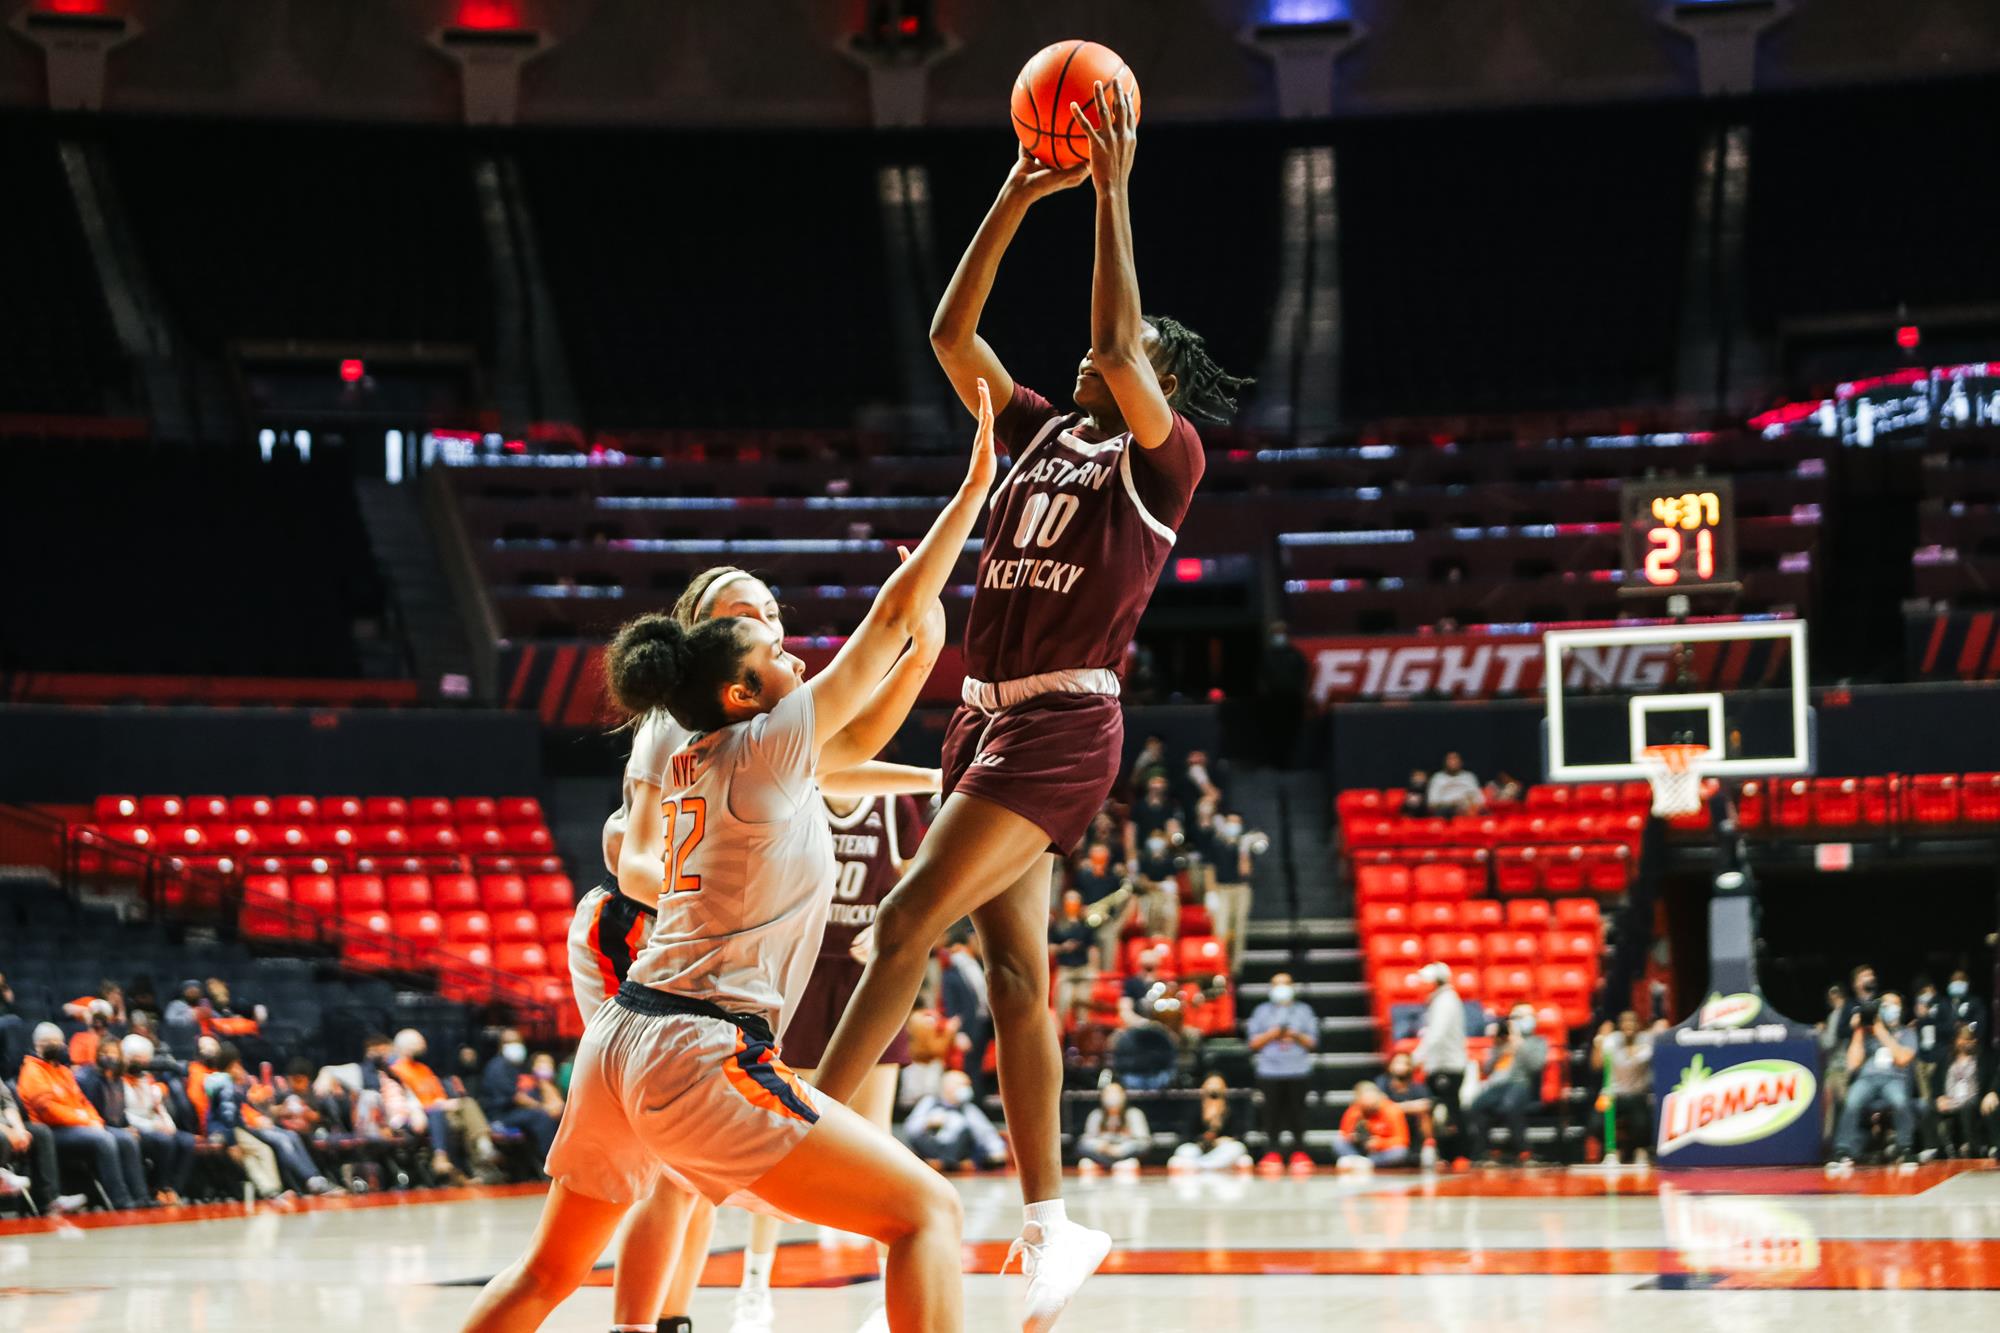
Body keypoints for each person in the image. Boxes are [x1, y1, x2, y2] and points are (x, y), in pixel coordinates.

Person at [807, 80, 1253, 1332]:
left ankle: (808, 1138)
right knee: (1013, 979)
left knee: (900, 924)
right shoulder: (1040, 431)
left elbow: (1117, 344)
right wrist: (1016, 192)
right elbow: (955, 336)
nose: (1099, 352)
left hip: (1060, 720)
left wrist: (1112, 189)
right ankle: (1053, 1229)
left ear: (1157, 384)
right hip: (980, 718)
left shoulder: (1161, 464)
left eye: (1132, 353)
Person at [458, 378, 993, 1333]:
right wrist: (974, 486)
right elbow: (886, 615)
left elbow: (860, 726)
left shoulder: (717, 743)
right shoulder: (764, 740)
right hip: (695, 1038)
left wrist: (921, 675)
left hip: (624, 1032)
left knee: (546, 1275)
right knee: (927, 1213)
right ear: (745, 693)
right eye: (771, 648)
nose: (792, 655)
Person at [728, 785, 931, 1333]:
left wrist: (891, 927)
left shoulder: (893, 806)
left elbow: (923, 884)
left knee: (878, 1144)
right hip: (803, 977)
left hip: (868, 981)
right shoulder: (801, 797)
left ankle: (885, 1299)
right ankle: (753, 1286)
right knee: (781, 1137)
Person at [17, 1023, 148, 1210]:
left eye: (58, 1042)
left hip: (79, 1126)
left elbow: (83, 1102)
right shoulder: (32, 1071)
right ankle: (121, 1201)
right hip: (54, 1131)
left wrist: (95, 1120)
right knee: (104, 1139)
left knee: (126, 1139)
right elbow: (48, 1111)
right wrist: (84, 1121)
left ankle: (141, 1197)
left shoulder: (63, 1071)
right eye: (49, 1042)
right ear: (37, 1045)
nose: (55, 1045)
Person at [1834, 989, 1918, 1163]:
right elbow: (1853, 1064)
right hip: (1868, 1078)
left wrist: (1880, 1030)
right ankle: (1842, 1149)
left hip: (1894, 1078)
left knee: (1900, 1101)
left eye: (1895, 1005)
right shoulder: (1866, 1033)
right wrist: (1858, 1030)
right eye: (1886, 1005)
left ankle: (1905, 1147)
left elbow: (1902, 1059)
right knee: (1851, 1102)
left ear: (1901, 1008)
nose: (1890, 1008)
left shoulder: (1907, 1033)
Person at [1246, 973, 1318, 1170]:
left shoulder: (1304, 1011)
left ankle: (1299, 1151)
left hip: (1298, 1070)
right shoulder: (1261, 1012)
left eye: (1285, 984)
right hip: (1270, 1070)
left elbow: (1313, 1042)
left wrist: (1295, 1035)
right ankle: (1272, 1152)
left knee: (1297, 1113)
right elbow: (1253, 1043)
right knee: (1271, 1114)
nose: (1281, 988)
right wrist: (1273, 1034)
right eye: (1277, 984)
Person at [1466, 1004, 1548, 1165]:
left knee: (1510, 1106)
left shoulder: (1538, 1042)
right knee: (1476, 1105)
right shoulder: (1501, 1041)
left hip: (1520, 1085)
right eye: (1517, 1017)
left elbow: (1535, 1066)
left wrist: (1520, 1045)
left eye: (1525, 1017)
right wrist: (1499, 1045)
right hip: (1498, 1086)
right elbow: (1488, 1069)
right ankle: (1485, 1152)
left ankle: (1524, 1151)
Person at [1411, 963, 1468, 1164]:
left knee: (1451, 1111)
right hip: (1440, 1065)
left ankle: (1460, 1154)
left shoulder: (1446, 1001)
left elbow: (1436, 1034)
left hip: (1447, 1065)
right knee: (1444, 1110)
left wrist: (1416, 1058)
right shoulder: (1439, 1001)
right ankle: (1449, 1154)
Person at [479, 1029, 559, 1171]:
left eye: (517, 1042)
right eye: (510, 1042)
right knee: (541, 1117)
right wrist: (541, 1106)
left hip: (515, 1112)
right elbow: (516, 1097)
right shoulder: (498, 1066)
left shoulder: (516, 1067)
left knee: (554, 1115)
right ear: (501, 1046)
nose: (515, 1046)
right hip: (500, 1116)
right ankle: (552, 1164)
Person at [903, 1070, 1009, 1174]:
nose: (967, 1089)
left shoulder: (968, 1109)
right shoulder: (929, 1102)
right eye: (963, 1085)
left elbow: (985, 1133)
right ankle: (938, 1163)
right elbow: (910, 1128)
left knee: (966, 1131)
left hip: (955, 1154)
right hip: (931, 1148)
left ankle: (946, 1164)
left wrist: (997, 1152)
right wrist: (927, 1123)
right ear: (948, 1087)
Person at [1591, 1011, 1656, 1165]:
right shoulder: (1612, 1040)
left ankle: (1640, 1150)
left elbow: (1638, 1058)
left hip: (1638, 1095)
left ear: (1638, 1025)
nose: (1629, 1025)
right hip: (1611, 1094)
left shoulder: (1647, 1040)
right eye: (1625, 1022)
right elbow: (1596, 1065)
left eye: (1632, 1022)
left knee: (1641, 1121)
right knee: (1596, 1122)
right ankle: (1614, 1151)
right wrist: (1599, 1040)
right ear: (1620, 1026)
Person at [1202, 812, 1262, 976]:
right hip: (1221, 889)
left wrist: (1244, 849)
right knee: (1221, 929)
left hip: (1241, 889)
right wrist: (1210, 893)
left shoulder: (1245, 846)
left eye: (1236, 823)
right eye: (1230, 822)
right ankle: (1219, 967)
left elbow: (1245, 872)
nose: (1233, 826)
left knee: (1239, 929)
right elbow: (1209, 869)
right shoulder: (1215, 844)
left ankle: (1235, 969)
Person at [1930, 1024, 1997, 1159]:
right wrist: (1938, 1097)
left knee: (1968, 1107)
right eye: (1964, 1039)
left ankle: (1974, 1148)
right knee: (1929, 1108)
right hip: (1951, 1099)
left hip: (1973, 1098)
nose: (1968, 1043)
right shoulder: (1946, 1060)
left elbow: (1991, 1078)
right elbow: (1935, 1082)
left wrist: (1991, 1092)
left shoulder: (1982, 1059)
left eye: (1971, 1039)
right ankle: (1934, 1149)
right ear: (1956, 1041)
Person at [1169, 1074, 1250, 1172]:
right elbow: (1186, 1136)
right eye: (1211, 1085)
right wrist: (1203, 1139)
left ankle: (1203, 1166)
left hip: (1222, 1150)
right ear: (1203, 1087)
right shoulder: (1194, 1108)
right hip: (1199, 1149)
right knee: (1184, 1150)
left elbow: (1240, 1135)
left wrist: (1223, 1138)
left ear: (1224, 1088)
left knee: (1237, 1148)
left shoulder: (1232, 1108)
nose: (1214, 1089)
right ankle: (1205, 1165)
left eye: (1217, 1085)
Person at [1333, 1080, 1412, 1170]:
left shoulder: (1392, 1110)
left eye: (1372, 1105)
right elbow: (1344, 1133)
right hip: (1360, 1149)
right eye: (1365, 1107)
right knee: (1339, 1142)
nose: (1369, 1108)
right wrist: (1353, 1137)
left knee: (1400, 1152)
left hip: (1381, 1152)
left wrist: (1380, 1143)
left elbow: (1402, 1140)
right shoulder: (1354, 1110)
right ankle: (1356, 1160)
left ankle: (1366, 1163)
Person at [1049, 889, 1100, 1028]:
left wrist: (1093, 970)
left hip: (1083, 970)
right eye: (1069, 900)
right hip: (1065, 971)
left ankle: (1080, 1039)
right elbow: (1049, 949)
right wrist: (1062, 948)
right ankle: (1059, 1037)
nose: (1072, 903)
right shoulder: (1057, 926)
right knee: (1062, 1004)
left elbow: (1092, 948)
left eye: (1075, 900)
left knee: (1083, 1007)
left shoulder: (1086, 926)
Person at [1075, 1081, 1150, 1176]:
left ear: (1123, 1095)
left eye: (1116, 1093)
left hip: (1125, 1154)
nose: (1112, 1096)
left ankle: (1118, 1164)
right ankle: (1105, 1164)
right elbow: (1086, 1140)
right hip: (1101, 1153)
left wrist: (1120, 1150)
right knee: (1082, 1147)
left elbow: (1143, 1141)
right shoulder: (1096, 1115)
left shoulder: (1134, 1114)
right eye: (1108, 1093)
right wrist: (1101, 1146)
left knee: (1142, 1147)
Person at [1381, 1052, 1436, 1167]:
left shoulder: (1419, 1087)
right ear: (1390, 1066)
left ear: (1411, 1067)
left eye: (1405, 1063)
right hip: (1388, 1131)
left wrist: (1395, 1107)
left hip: (1412, 1129)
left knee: (1425, 1115)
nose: (1401, 1066)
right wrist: (1410, 1107)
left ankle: (1427, 1147)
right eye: (1398, 1062)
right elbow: (1380, 1106)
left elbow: (1426, 1105)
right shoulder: (1382, 1084)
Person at [1426, 752, 1483, 817]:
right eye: (1450, 759)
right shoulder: (1437, 778)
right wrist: (1452, 804)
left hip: (1468, 812)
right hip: (1445, 813)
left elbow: (1480, 800)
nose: (1453, 762)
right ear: (1445, 762)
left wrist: (1469, 804)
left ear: (1461, 762)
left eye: (1455, 759)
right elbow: (1432, 804)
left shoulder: (1469, 777)